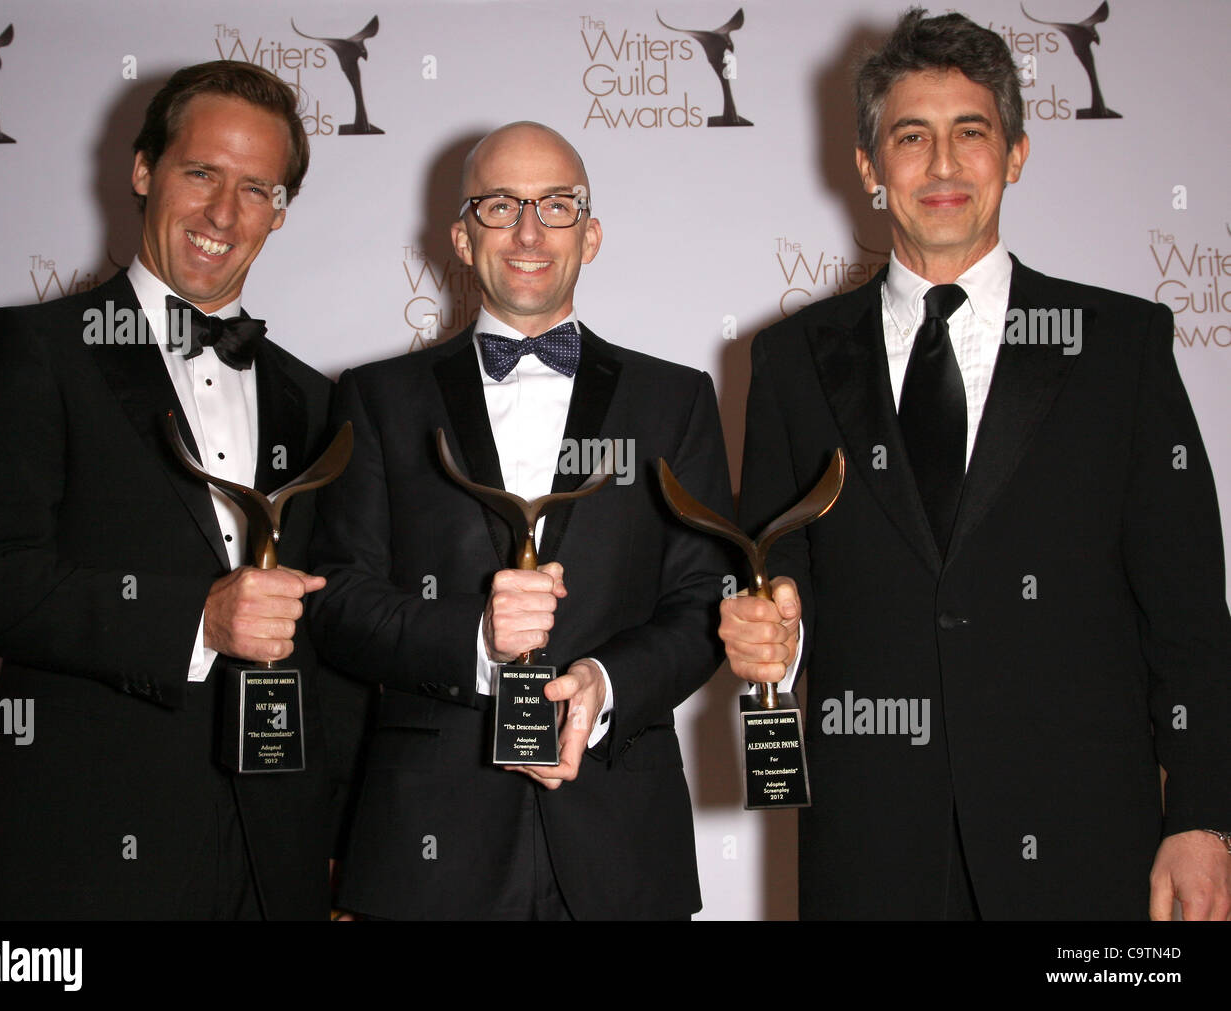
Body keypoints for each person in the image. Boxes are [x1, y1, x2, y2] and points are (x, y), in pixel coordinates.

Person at [718, 8, 1231, 920]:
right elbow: (770, 569)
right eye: (911, 138)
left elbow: (1189, 612)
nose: (944, 166)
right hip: (870, 849)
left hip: (1086, 849)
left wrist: (1202, 820)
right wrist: (768, 637)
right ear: (870, 169)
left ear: (1018, 154)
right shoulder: (794, 360)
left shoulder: (1120, 347)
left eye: (972, 134)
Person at [0, 60, 362, 919]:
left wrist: (344, 846)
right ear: (143, 170)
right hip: (81, 858)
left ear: (280, 213)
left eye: (256, 189)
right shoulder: (30, 349)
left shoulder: (319, 403)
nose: (222, 214)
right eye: (200, 172)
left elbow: (338, 647)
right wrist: (195, 619)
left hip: (271, 869)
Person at [309, 121, 733, 919]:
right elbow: (336, 601)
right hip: (428, 850)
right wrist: (475, 638)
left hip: (622, 845)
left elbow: (705, 605)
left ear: (592, 234)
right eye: (500, 205)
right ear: (463, 238)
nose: (530, 230)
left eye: (557, 205)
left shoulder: (676, 401)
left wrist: (604, 684)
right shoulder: (376, 398)